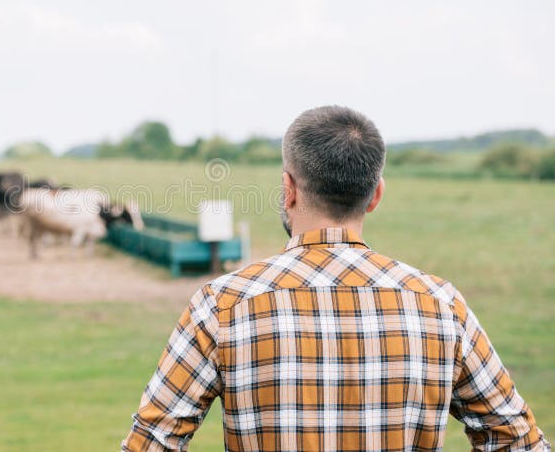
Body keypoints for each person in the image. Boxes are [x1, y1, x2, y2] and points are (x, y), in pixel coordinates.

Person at [122, 106, 549, 451]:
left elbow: (149, 444)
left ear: (288, 188)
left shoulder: (222, 304)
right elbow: (518, 442)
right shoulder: (441, 305)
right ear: (376, 194)